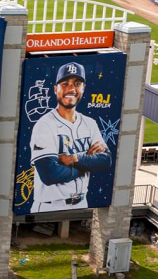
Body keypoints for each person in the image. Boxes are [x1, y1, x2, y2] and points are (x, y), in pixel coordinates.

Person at [29, 61, 110, 213]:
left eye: (77, 83)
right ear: (55, 89)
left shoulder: (90, 124)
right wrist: (87, 163)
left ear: (83, 88)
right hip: (49, 206)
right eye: (65, 83)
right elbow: (49, 174)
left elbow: (105, 161)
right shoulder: (44, 125)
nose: (71, 89)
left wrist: (74, 159)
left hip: (82, 202)